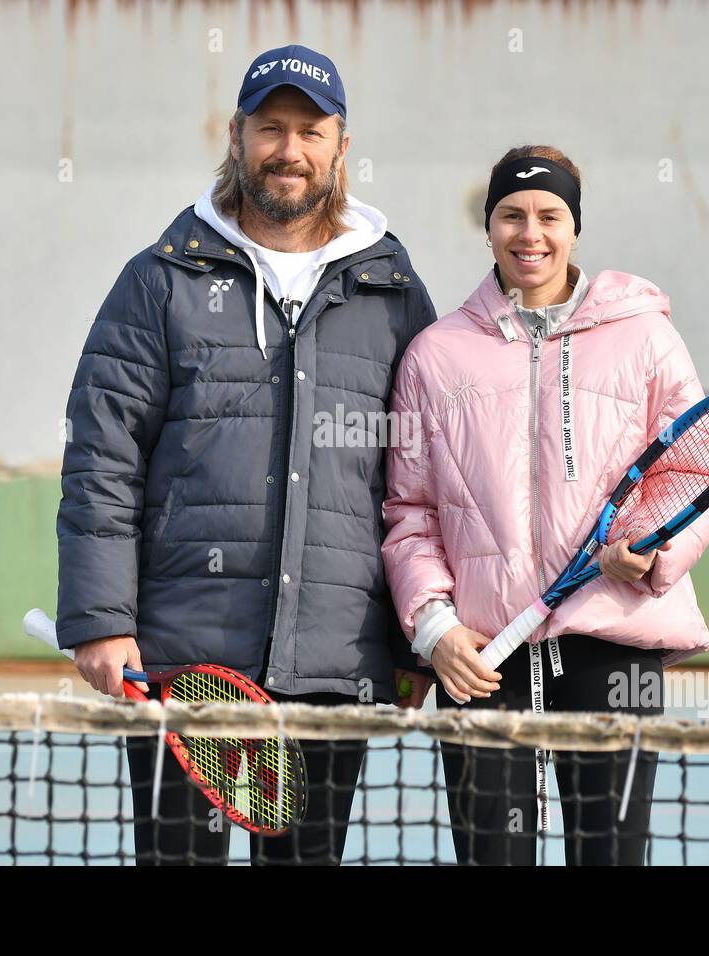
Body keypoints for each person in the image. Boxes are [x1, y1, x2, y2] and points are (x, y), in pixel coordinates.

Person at [56, 44, 435, 865]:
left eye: (311, 131)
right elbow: (102, 457)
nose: (289, 150)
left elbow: (420, 481)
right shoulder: (159, 280)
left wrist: (412, 641)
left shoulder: (394, 293)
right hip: (184, 658)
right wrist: (101, 621)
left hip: (335, 661)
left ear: (341, 146)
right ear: (237, 136)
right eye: (271, 127)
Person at [381, 145, 709, 865]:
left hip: (612, 647)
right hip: (482, 658)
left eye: (549, 215)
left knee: (610, 854)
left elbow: (693, 469)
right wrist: (435, 627)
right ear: (488, 227)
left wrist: (650, 548)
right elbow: (410, 512)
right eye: (511, 214)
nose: (529, 233)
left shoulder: (646, 339)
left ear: (575, 228)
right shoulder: (434, 355)